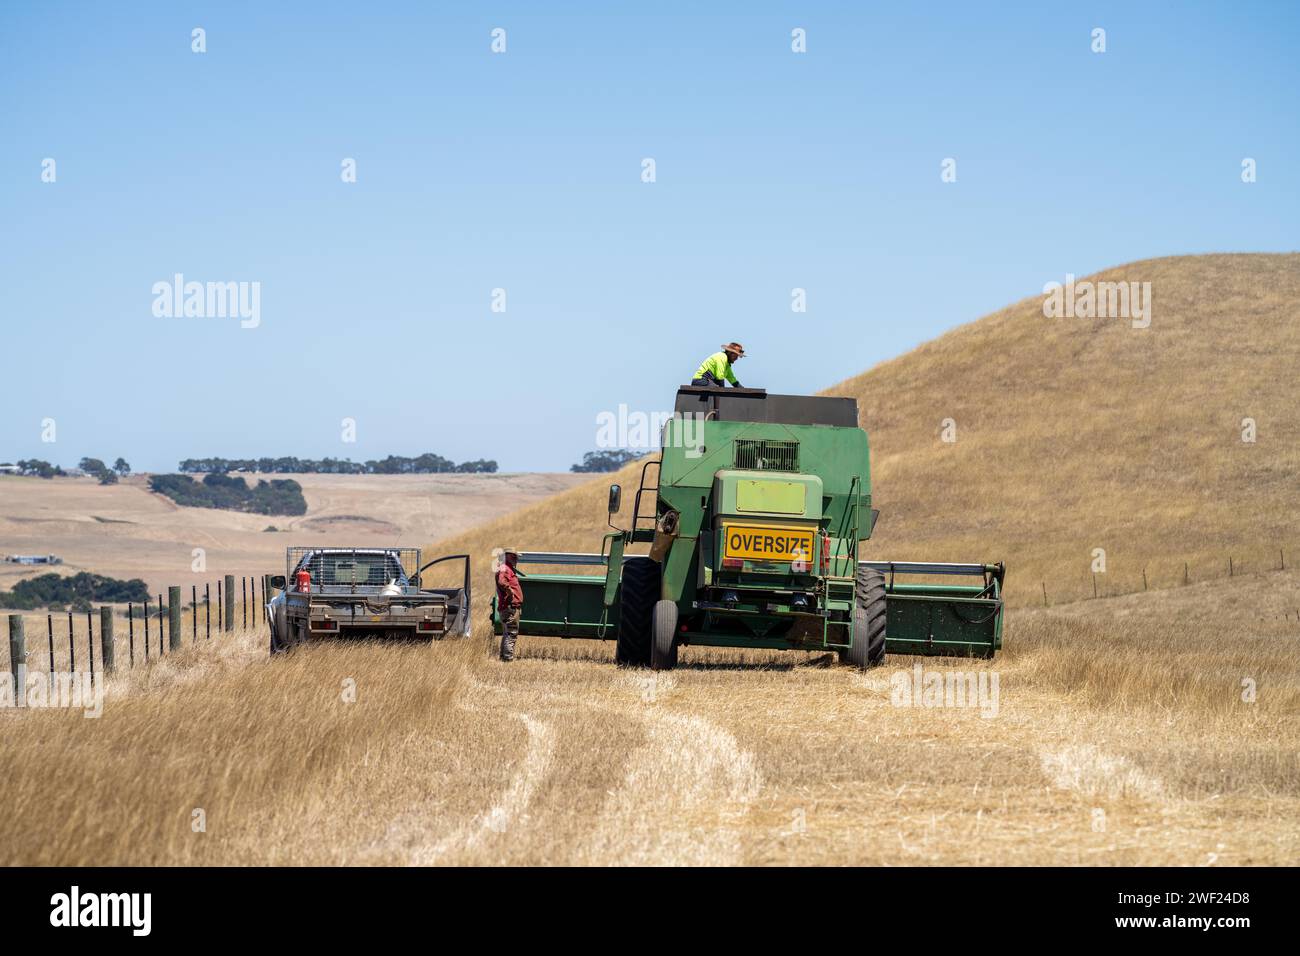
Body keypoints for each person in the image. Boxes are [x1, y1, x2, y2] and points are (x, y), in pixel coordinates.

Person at [496, 547, 524, 661]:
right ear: (507, 556)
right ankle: (507, 659)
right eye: (514, 556)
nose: (516, 559)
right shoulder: (505, 568)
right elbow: (502, 582)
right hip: (510, 607)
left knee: (507, 633)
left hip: (508, 607)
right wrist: (510, 591)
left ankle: (504, 658)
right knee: (511, 633)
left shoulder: (507, 568)